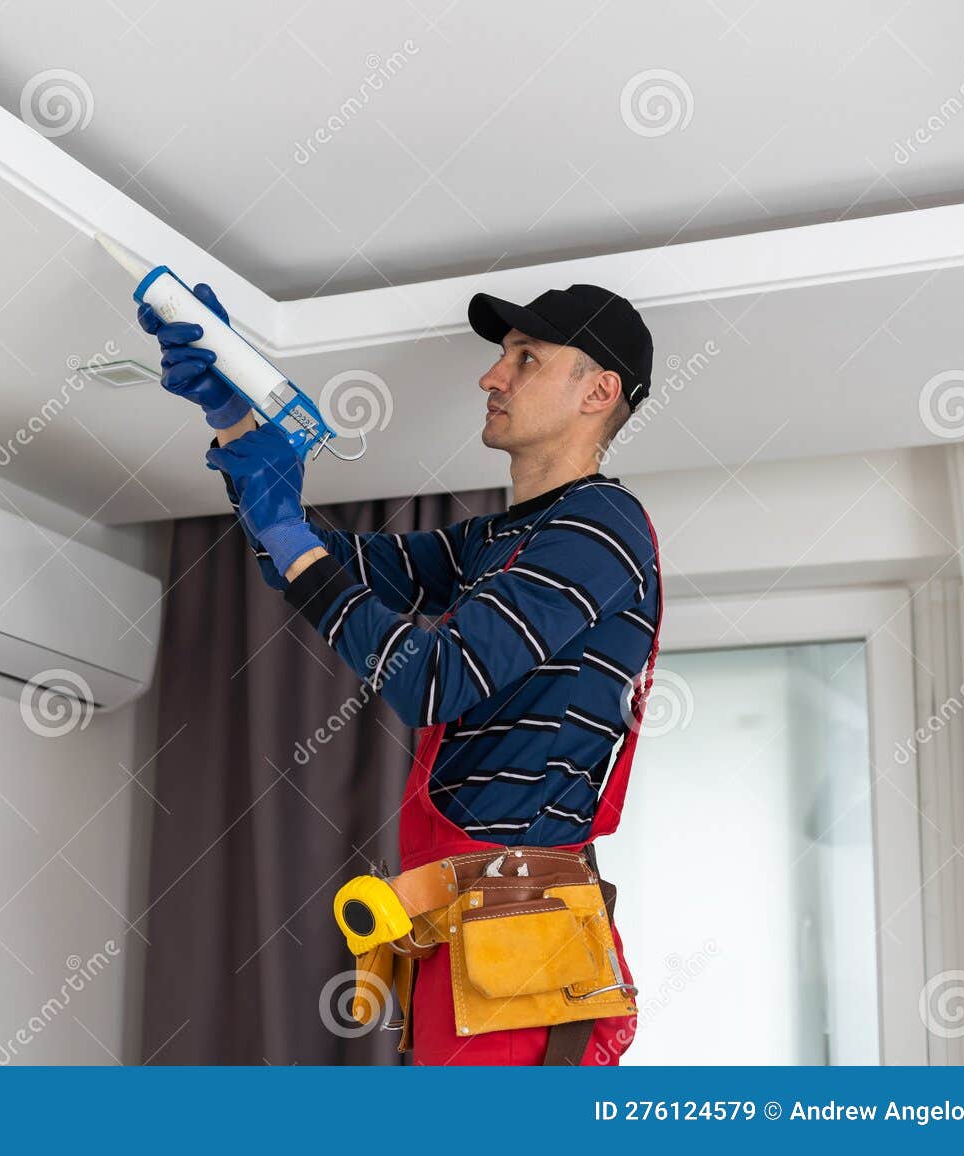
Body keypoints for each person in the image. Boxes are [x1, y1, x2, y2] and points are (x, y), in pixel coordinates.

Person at [140, 281, 662, 1066]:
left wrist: (292, 538)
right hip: (471, 936)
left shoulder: (599, 528)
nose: (493, 377)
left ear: (599, 391)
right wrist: (234, 416)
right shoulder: (498, 539)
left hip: (521, 948)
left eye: (526, 358)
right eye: (500, 358)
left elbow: (432, 680)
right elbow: (315, 566)